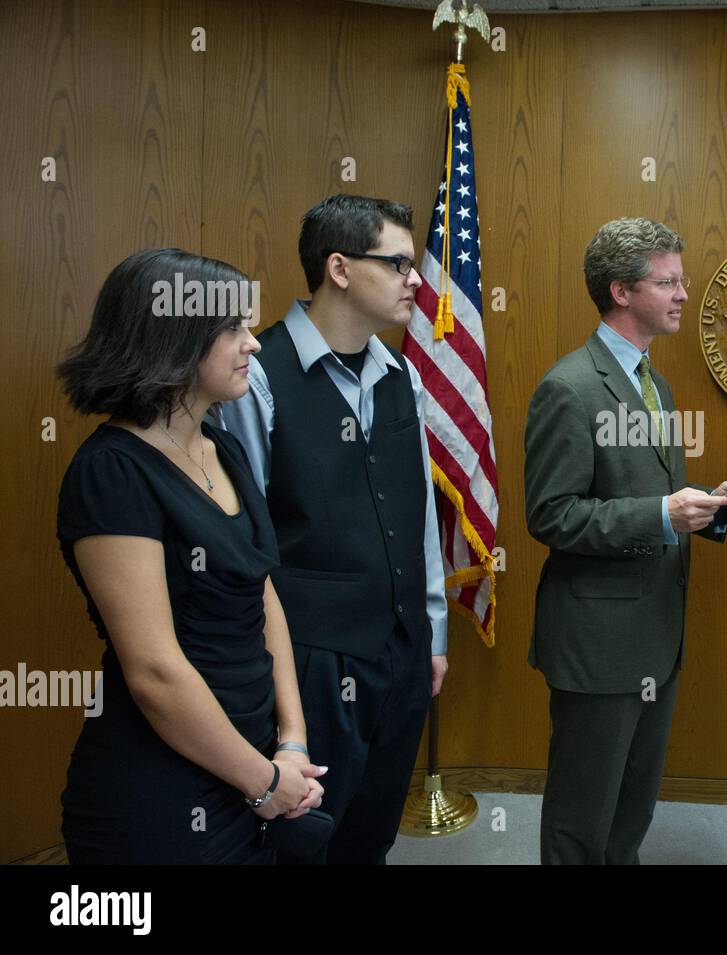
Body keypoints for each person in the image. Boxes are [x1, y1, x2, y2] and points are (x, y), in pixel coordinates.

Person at [55, 248, 325, 864]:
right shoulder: (111, 474)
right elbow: (155, 673)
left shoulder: (221, 446)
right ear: (173, 337)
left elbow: (263, 597)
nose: (252, 345)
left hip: (256, 767)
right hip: (162, 792)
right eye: (232, 329)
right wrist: (262, 782)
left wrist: (290, 741)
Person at [217, 194, 448, 864]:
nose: (415, 279)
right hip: (310, 660)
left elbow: (418, 513)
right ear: (340, 268)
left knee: (370, 836)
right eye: (398, 262)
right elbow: (245, 541)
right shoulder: (257, 374)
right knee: (304, 841)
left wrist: (431, 625)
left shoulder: (401, 373)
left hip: (403, 653)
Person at [524, 217, 727, 864]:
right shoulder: (568, 387)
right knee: (581, 818)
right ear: (621, 291)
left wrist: (706, 504)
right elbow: (552, 515)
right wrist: (660, 514)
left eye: (682, 279)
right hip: (598, 646)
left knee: (631, 809)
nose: (684, 293)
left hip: (656, 637)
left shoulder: (656, 383)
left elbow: (645, 493)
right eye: (668, 281)